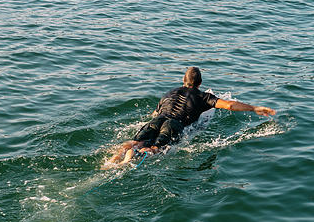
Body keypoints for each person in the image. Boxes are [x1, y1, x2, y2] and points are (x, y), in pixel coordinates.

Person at [106, 67, 276, 166]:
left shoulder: (170, 92)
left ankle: (116, 158)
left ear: (183, 80)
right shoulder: (203, 97)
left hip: (157, 120)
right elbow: (230, 105)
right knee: (155, 148)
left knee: (135, 141)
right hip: (174, 125)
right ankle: (133, 157)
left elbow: (155, 114)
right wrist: (254, 108)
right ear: (200, 84)